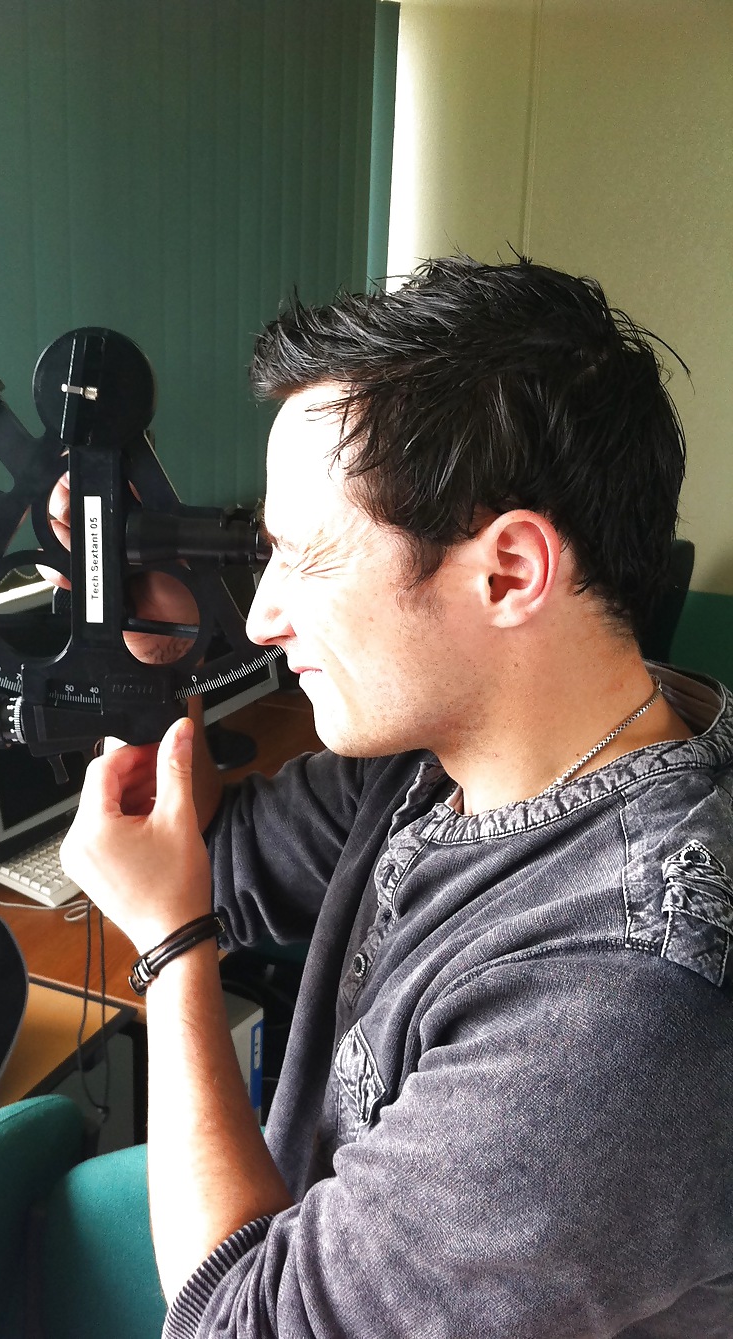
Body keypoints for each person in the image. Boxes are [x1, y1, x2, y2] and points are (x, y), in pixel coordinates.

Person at [59, 256, 733, 1338]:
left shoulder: (622, 1007)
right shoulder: (452, 754)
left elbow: (239, 1329)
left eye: (307, 557)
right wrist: (147, 646)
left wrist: (171, 953)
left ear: (509, 572)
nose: (263, 617)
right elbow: (216, 857)